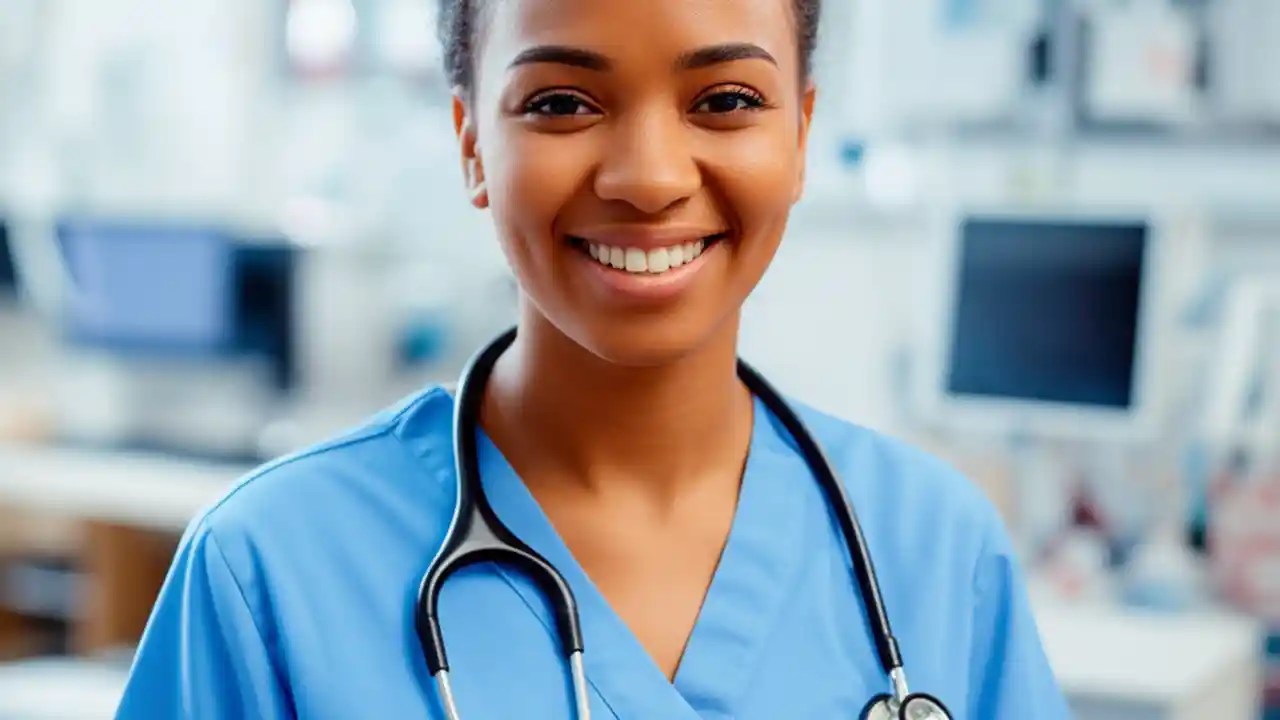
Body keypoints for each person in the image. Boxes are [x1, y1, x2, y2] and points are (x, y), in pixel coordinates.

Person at [117, 0, 1071, 717]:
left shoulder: (942, 556)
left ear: (801, 134)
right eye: (563, 102)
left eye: (727, 100)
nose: (650, 178)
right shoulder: (269, 572)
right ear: (470, 145)